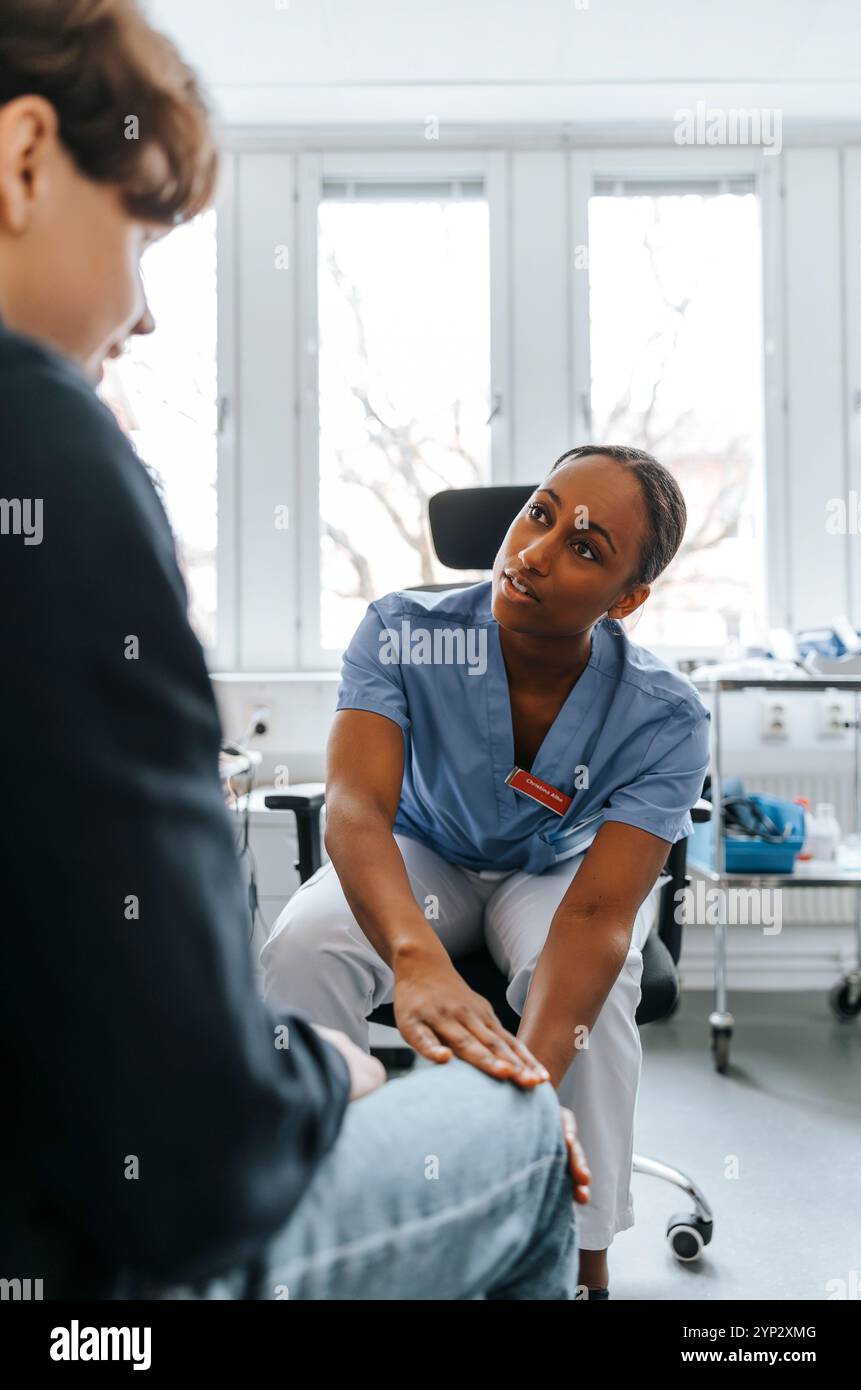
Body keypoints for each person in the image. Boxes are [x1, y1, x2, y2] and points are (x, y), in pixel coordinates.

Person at [0, 0, 586, 1301]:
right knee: (507, 1125)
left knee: (529, 1037)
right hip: (86, 1253)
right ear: (24, 160)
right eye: (143, 235)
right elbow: (189, 1139)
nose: (143, 315)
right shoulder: (44, 442)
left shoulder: (648, 703)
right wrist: (340, 1062)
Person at [262, 444, 713, 1297]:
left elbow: (595, 919)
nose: (535, 553)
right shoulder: (401, 630)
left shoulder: (665, 716)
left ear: (628, 599)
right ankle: (313, 1209)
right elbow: (356, 810)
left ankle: (581, 1260)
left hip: (558, 876)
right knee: (299, 947)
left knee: (595, 985)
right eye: (539, 514)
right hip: (423, 849)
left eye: (585, 548)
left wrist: (516, 1100)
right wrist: (415, 956)